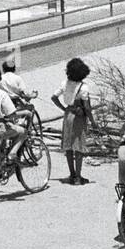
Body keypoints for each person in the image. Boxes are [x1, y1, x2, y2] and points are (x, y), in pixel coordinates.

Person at [51, 57, 96, 185]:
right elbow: (87, 107)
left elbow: (54, 97)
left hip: (68, 115)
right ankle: (78, 176)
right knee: (79, 146)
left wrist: (63, 108)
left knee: (69, 147)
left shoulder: (64, 83)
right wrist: (92, 121)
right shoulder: (83, 87)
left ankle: (71, 174)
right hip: (78, 118)